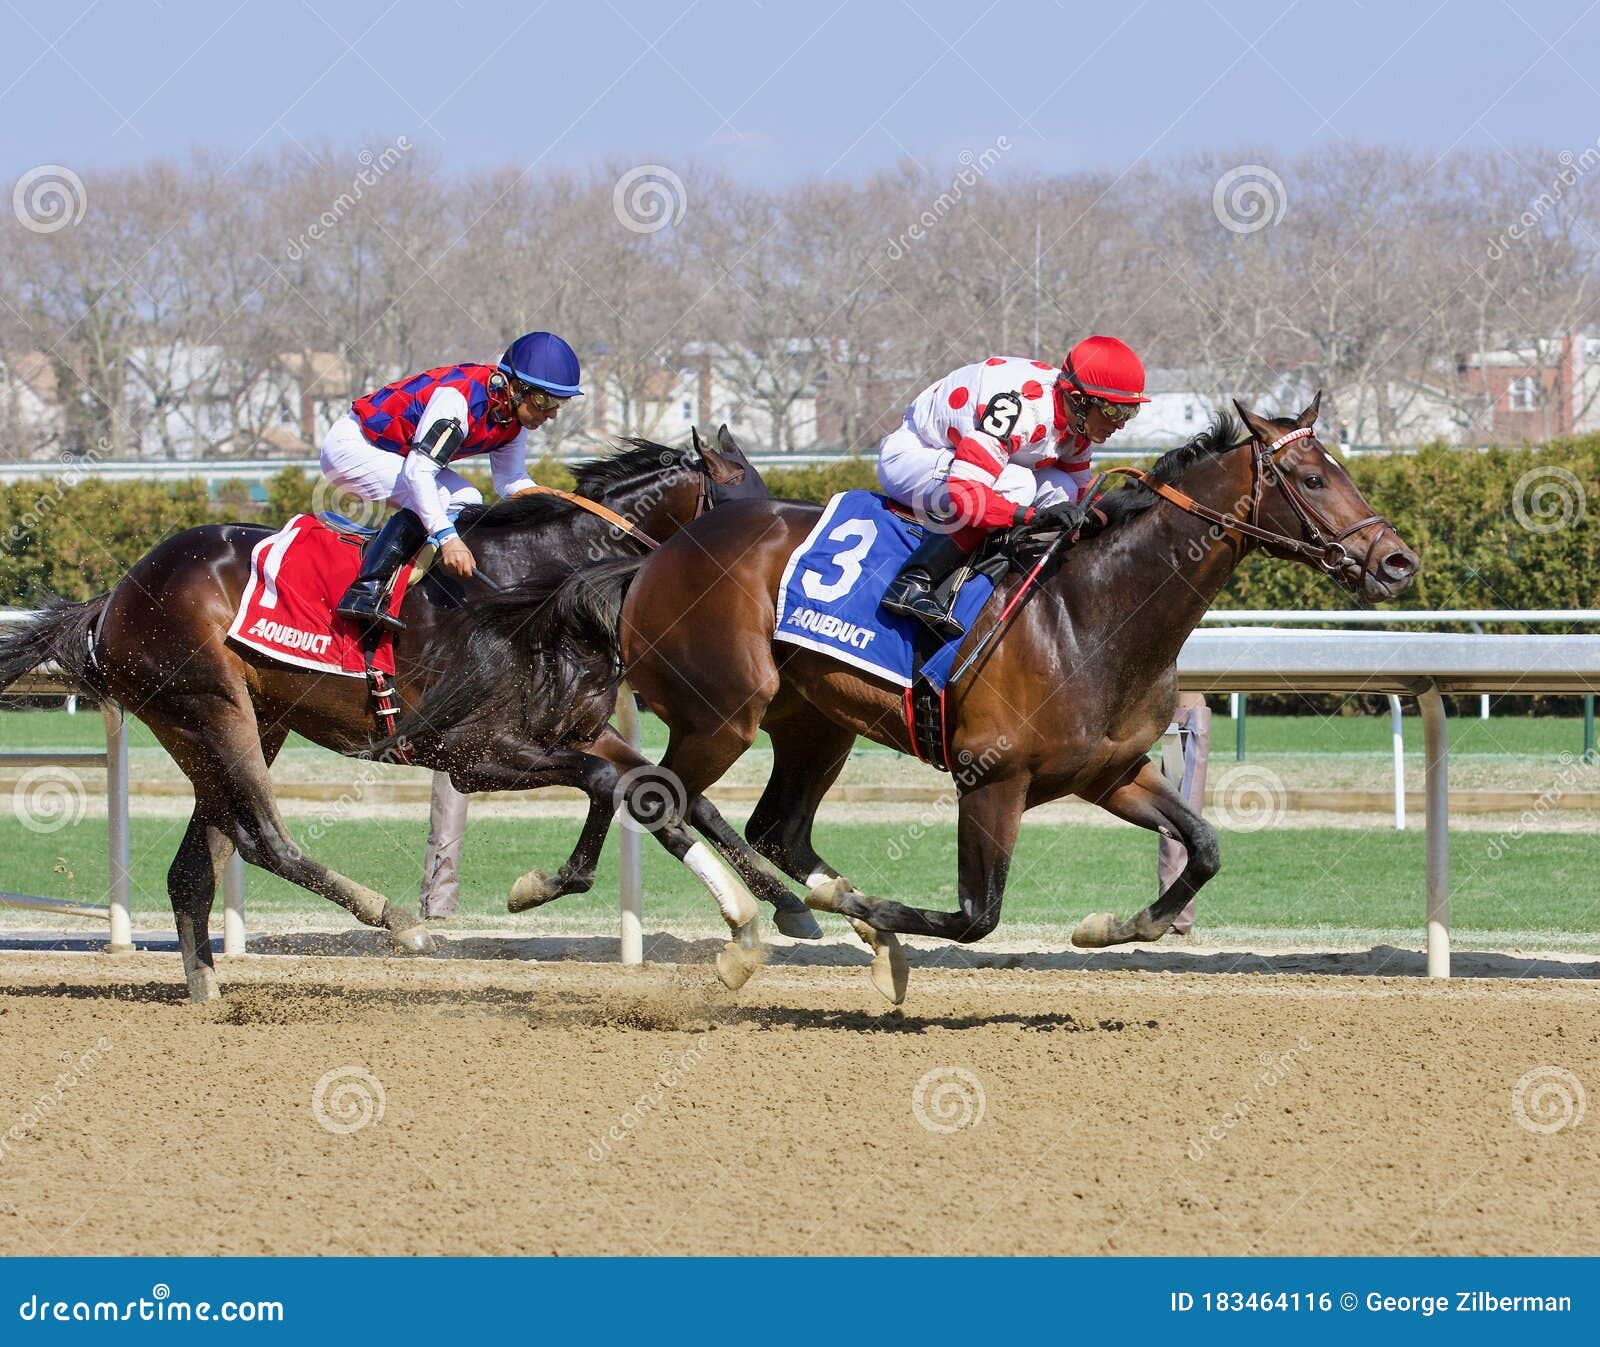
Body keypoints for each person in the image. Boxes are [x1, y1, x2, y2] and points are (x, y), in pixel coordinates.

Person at [876, 334, 1148, 636]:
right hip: (914, 454)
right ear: (1080, 400)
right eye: (1114, 411)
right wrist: (1032, 517)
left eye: (1130, 412)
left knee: (1062, 490)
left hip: (971, 458)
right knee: (1018, 485)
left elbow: (1081, 494)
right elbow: (968, 496)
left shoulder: (1078, 427)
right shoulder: (1020, 409)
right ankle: (914, 581)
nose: (1121, 423)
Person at [324, 331, 584, 630]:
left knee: (468, 498)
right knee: (438, 499)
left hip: (396, 454)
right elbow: (417, 473)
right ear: (513, 387)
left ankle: (415, 578)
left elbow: (511, 481)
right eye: (544, 399)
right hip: (354, 446)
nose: (551, 413)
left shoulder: (513, 418)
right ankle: (364, 591)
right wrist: (448, 539)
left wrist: (559, 500)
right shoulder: (457, 400)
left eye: (558, 404)